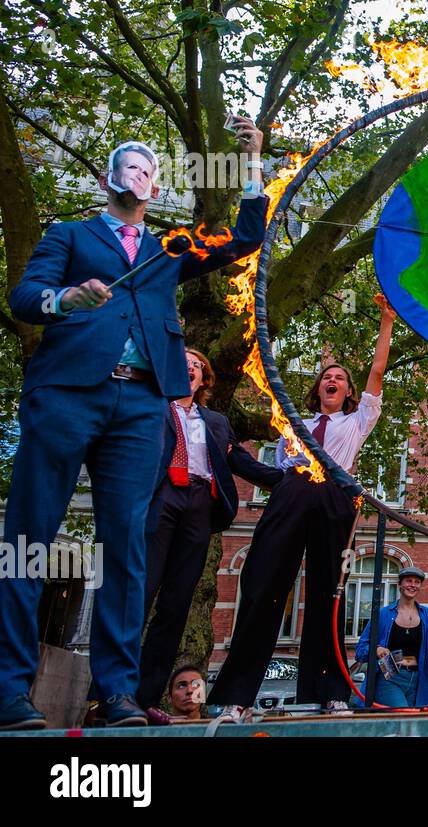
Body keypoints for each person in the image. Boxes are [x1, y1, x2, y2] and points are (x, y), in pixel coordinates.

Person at [0, 123, 269, 730]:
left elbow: (247, 236)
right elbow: (24, 297)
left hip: (143, 406)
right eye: (131, 166)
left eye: (150, 170)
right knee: (28, 541)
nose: (141, 176)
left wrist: (250, 162)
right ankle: (7, 690)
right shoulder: (68, 235)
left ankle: (116, 694)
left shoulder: (167, 250)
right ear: (107, 179)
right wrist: (66, 299)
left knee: (126, 547)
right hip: (68, 394)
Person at [209, 295, 397, 721]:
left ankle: (329, 691)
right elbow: (279, 471)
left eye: (339, 378)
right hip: (293, 493)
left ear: (349, 392)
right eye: (326, 376)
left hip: (334, 496)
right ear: (318, 388)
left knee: (328, 592)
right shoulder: (298, 425)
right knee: (263, 586)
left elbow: (378, 370)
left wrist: (386, 320)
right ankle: (238, 696)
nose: (332, 380)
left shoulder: (357, 421)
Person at [136, 348, 284, 712]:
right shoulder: (152, 407)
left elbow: (242, 462)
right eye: (182, 362)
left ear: (204, 379)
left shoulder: (216, 422)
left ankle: (145, 698)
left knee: (176, 605)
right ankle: (109, 693)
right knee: (138, 595)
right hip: (162, 498)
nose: (189, 367)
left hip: (200, 506)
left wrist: (295, 480)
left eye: (197, 365)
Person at [353, 567, 428, 708]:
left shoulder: (426, 615)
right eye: (408, 581)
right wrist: (376, 649)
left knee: (410, 725)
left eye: (417, 582)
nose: (413, 585)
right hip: (390, 676)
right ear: (399, 585)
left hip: (417, 679)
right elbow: (361, 649)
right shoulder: (384, 614)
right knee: (403, 718)